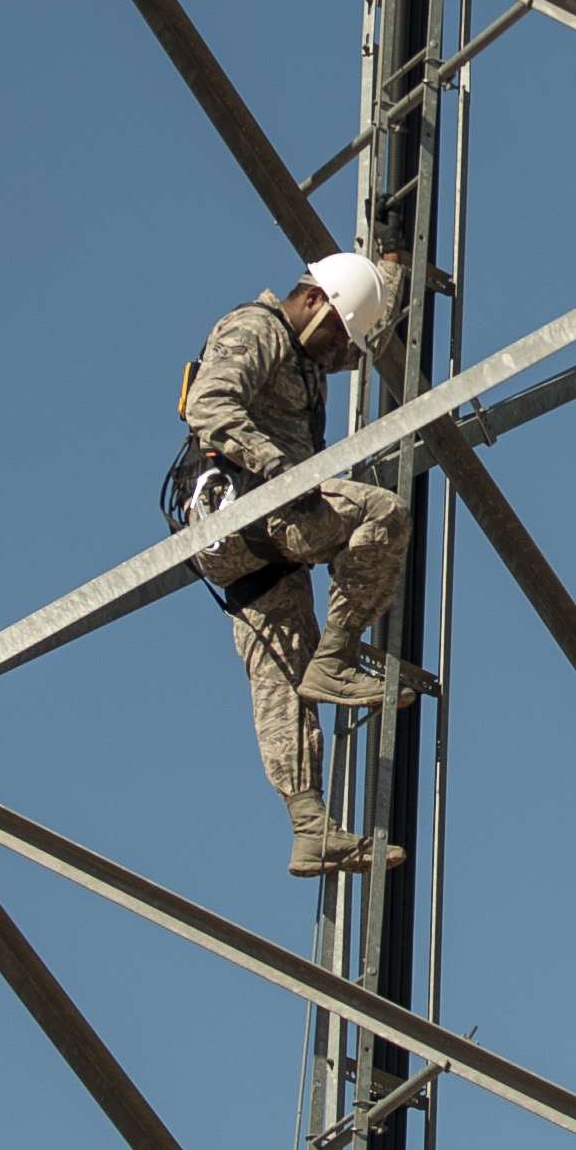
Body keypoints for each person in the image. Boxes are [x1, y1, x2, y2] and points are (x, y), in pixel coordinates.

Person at [184, 252, 418, 880]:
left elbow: (373, 338)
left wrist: (389, 266)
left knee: (284, 673)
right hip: (256, 505)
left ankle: (310, 829)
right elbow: (208, 404)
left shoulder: (310, 351)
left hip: (248, 548)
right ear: (312, 300)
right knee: (385, 515)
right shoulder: (255, 330)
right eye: (338, 328)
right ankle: (338, 657)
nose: (339, 347)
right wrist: (280, 469)